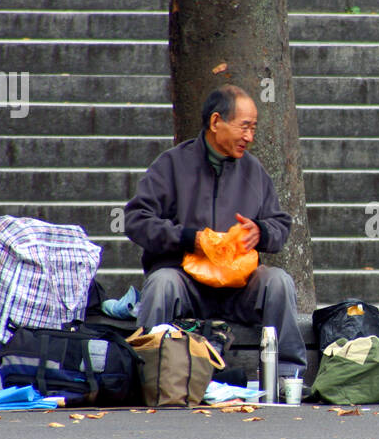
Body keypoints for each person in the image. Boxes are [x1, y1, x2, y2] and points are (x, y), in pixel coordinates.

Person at [124, 84, 306, 378]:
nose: (249, 137)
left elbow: (280, 224)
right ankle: (145, 374)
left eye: (253, 128)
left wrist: (260, 231)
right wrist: (188, 239)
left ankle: (286, 376)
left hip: (239, 287)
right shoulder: (171, 165)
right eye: (244, 127)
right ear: (215, 121)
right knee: (161, 284)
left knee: (278, 281)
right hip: (186, 281)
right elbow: (136, 219)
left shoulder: (254, 171)